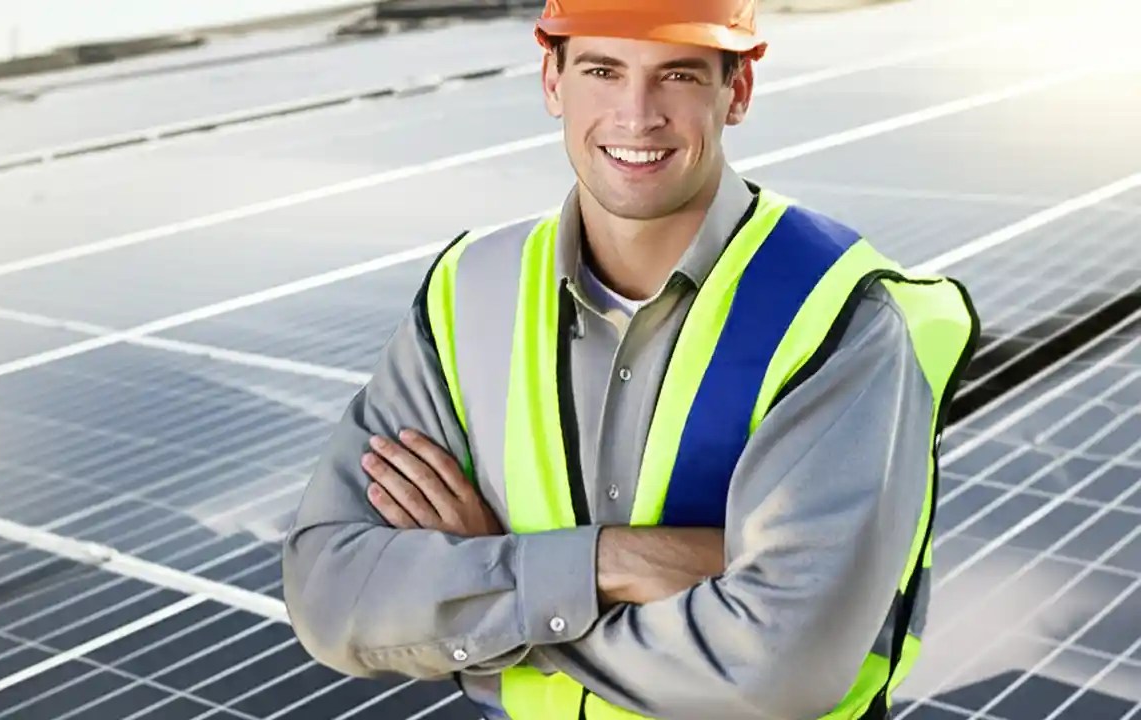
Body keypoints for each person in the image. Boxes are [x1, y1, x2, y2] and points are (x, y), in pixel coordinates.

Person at [281, 0, 979, 717]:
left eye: (676, 74)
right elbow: (333, 597)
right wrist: (617, 563)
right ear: (552, 80)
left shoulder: (838, 318)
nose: (637, 114)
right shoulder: (469, 293)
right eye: (602, 70)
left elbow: (780, 668)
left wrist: (489, 589)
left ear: (735, 91)